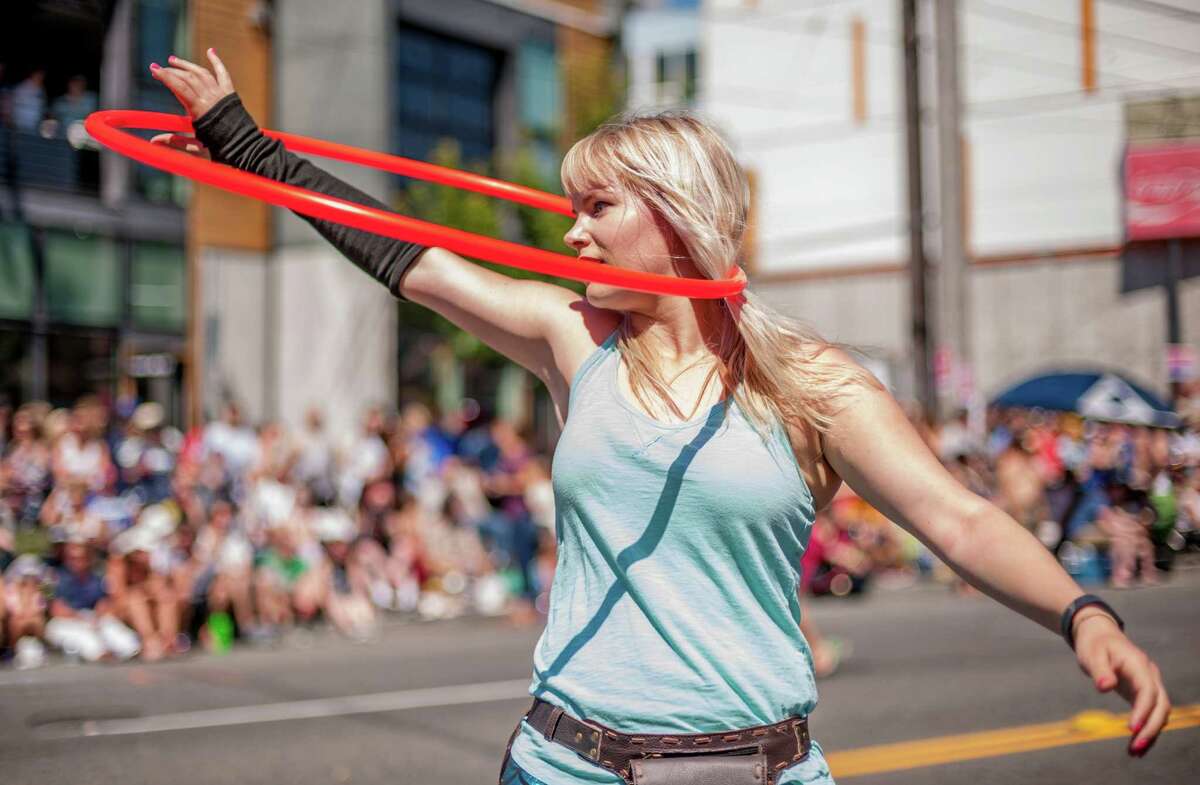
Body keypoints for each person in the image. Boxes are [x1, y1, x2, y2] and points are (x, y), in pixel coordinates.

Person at [150, 51, 1170, 782]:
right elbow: (410, 257)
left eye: (598, 207)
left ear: (678, 215)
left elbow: (961, 519)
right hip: (567, 762)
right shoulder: (573, 341)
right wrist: (243, 144)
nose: (573, 233)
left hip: (759, 767)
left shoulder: (810, 381)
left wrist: (1085, 614)